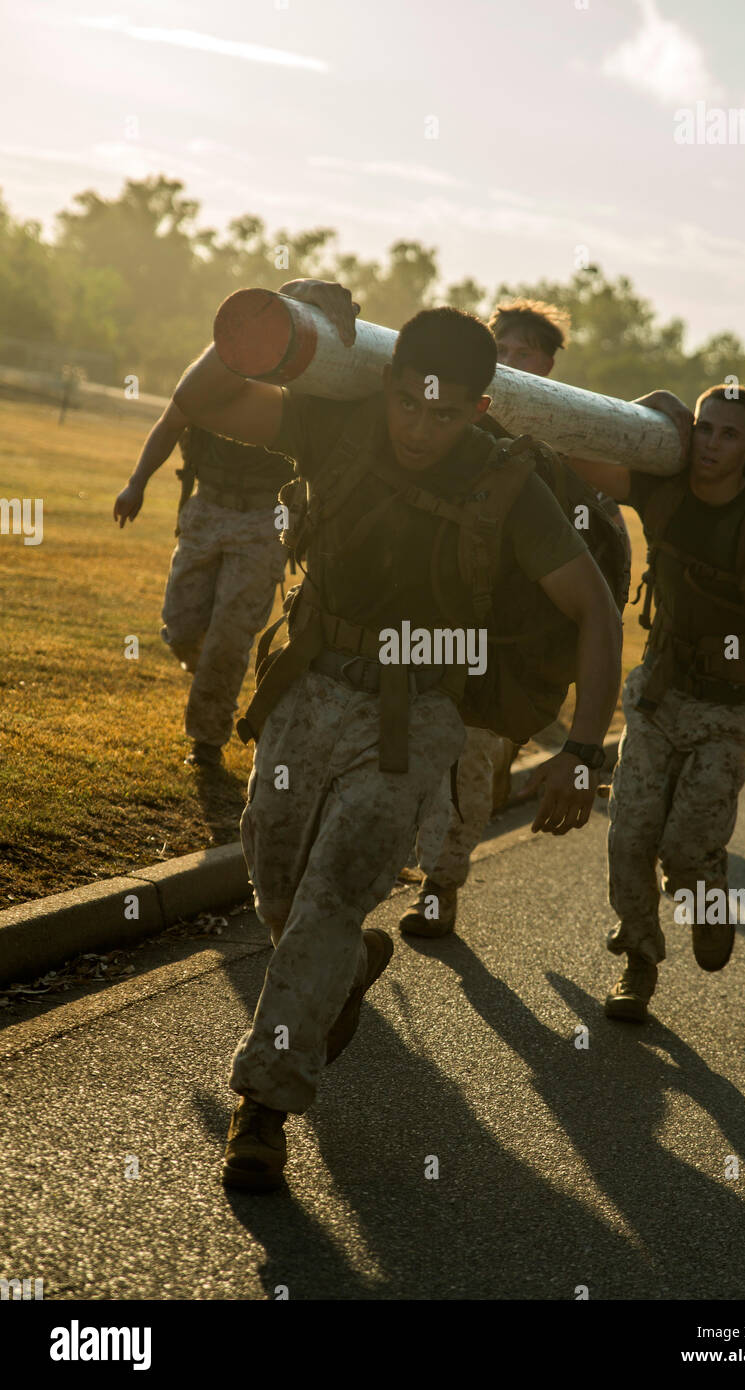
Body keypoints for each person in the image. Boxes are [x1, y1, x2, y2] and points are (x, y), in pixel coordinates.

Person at [171, 279, 623, 1190]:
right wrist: (275, 325)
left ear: (480, 409)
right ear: (386, 382)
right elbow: (204, 398)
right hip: (305, 690)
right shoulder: (333, 424)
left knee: (333, 895)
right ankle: (343, 972)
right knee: (275, 878)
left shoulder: (507, 482)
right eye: (407, 403)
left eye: (446, 415)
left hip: (415, 718)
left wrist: (579, 751)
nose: (420, 429)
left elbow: (596, 610)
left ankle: (263, 1110)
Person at [561, 384, 745, 1022]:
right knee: (628, 838)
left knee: (684, 851)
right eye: (704, 429)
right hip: (657, 701)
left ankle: (705, 889)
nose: (712, 445)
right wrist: (647, 407)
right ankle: (639, 959)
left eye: (728, 435)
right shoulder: (664, 493)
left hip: (728, 716)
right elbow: (579, 451)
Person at [402, 297, 632, 939]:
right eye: (499, 346)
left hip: (500, 644)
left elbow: (595, 580)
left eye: (523, 351)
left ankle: (440, 887)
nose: (508, 359)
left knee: (467, 764)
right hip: (423, 630)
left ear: (550, 363)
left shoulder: (566, 440)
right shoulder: (446, 420)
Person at [114, 406, 291, 766]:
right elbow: (169, 423)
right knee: (180, 628)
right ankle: (212, 673)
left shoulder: (289, 378)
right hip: (207, 507)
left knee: (228, 638)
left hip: (263, 518)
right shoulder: (213, 373)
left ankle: (206, 740)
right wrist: (136, 482)